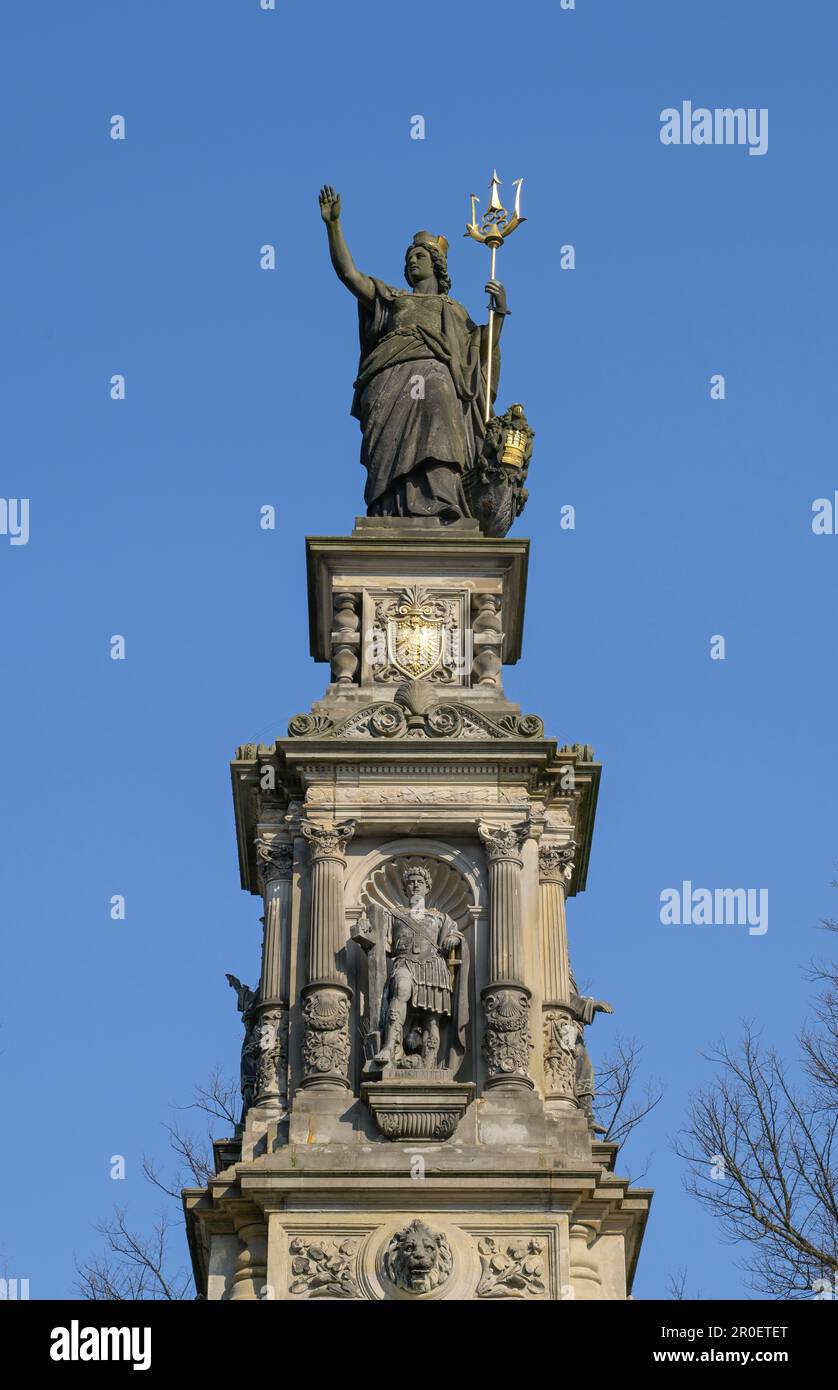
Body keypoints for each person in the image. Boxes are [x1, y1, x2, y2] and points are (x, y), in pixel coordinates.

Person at [319, 185, 508, 521]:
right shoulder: (391, 298)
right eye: (409, 257)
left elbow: (479, 354)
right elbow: (349, 275)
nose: (412, 260)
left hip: (435, 376)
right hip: (389, 378)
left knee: (437, 393)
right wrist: (334, 226)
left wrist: (499, 313)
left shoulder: (454, 310)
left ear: (437, 265)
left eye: (420, 255)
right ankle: (388, 506)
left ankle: (441, 499)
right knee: (411, 418)